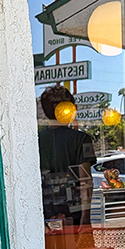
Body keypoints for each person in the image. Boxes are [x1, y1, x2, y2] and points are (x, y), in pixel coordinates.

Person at [38, 85, 95, 230]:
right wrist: (85, 219)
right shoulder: (81, 139)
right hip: (74, 215)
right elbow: (85, 182)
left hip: (44, 214)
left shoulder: (35, 140)